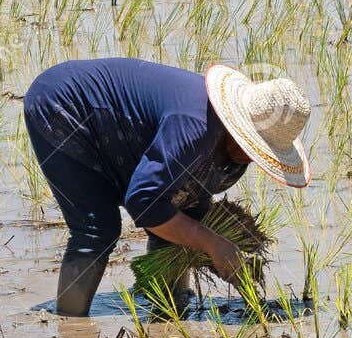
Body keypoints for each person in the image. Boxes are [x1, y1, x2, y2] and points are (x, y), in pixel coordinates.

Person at [23, 58, 311, 316]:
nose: (253, 157)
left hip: (118, 130)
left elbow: (185, 200)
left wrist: (213, 243)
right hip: (64, 106)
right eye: (255, 147)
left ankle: (168, 301)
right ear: (237, 127)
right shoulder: (194, 128)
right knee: (97, 230)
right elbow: (144, 203)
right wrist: (214, 243)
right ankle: (71, 324)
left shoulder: (226, 149)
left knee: (182, 212)